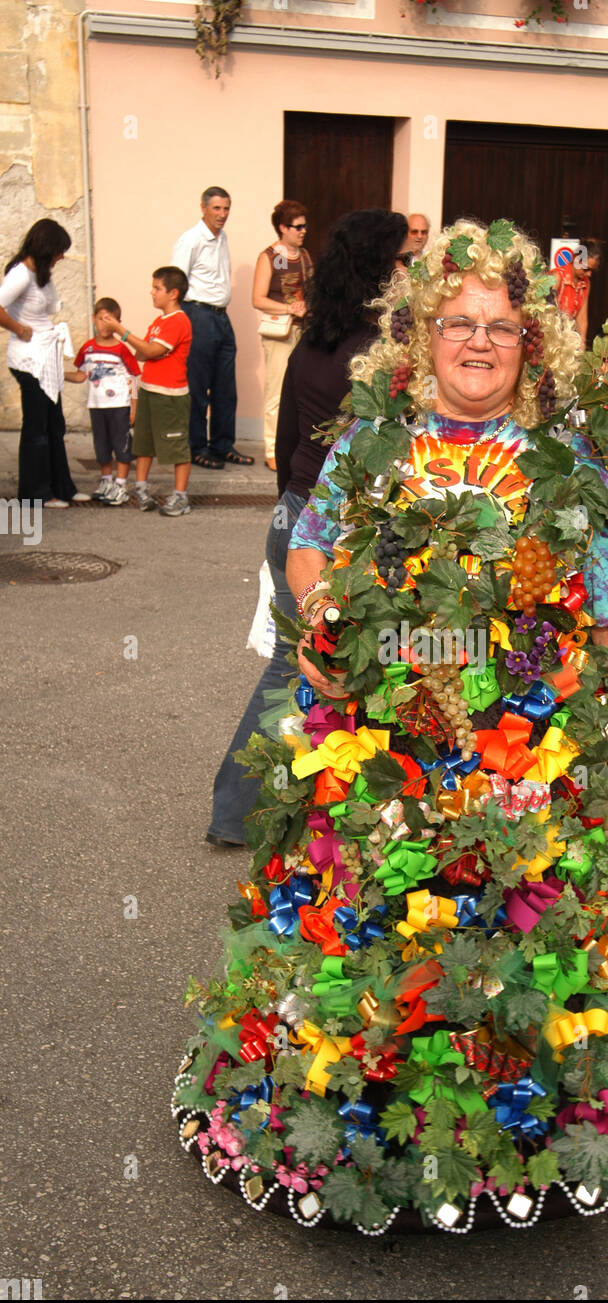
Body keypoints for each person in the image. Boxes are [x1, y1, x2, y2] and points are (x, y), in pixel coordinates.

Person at [177, 219, 608, 1234]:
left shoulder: (568, 457)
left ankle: (538, 1126)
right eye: (457, 321)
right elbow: (308, 547)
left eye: (500, 326)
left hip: (538, 756)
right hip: (392, 752)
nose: (477, 340)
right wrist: (325, 605)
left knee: (545, 940)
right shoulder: (372, 442)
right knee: (379, 942)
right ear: (421, 334)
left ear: (531, 343)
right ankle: (380, 1119)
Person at [206, 210, 409, 846]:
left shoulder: (316, 339)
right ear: (380, 267)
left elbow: (290, 432)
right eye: (402, 258)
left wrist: (292, 521)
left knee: (297, 665)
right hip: (342, 526)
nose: (410, 269)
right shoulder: (384, 353)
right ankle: (275, 818)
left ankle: (249, 814)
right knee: (323, 667)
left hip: (297, 512)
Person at [0, 218, 88, 507]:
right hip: (28, 360)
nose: (62, 257)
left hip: (44, 358)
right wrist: (18, 328)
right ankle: (36, 493)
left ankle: (62, 487)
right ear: (46, 247)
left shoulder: (41, 274)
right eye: (59, 251)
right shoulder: (21, 274)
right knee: (37, 428)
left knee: (55, 426)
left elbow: (47, 309)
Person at [99, 266, 193, 516]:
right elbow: (143, 350)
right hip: (150, 390)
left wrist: (121, 330)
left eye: (157, 288)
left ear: (173, 293)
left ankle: (181, 496)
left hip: (170, 395)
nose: (151, 292)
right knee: (144, 442)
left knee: (176, 446)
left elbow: (150, 351)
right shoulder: (158, 322)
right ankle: (141, 488)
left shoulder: (179, 321)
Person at [171, 187, 254, 470]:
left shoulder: (222, 237)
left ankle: (222, 445)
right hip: (198, 314)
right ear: (203, 208)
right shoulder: (190, 240)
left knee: (225, 386)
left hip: (221, 315)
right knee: (198, 385)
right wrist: (183, 322)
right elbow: (176, 284)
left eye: (226, 208)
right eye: (217, 208)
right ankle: (196, 446)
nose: (222, 214)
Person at [252, 200, 313, 472]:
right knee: (276, 392)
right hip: (279, 332)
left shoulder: (305, 256)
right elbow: (258, 298)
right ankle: (271, 448)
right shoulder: (269, 257)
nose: (303, 231)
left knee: (301, 389)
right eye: (297, 227)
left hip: (303, 329)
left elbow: (311, 289)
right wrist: (289, 308)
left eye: (304, 226)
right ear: (282, 227)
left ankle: (294, 446)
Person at [64, 297, 140, 502]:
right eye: (100, 319)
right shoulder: (88, 348)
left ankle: (121, 485)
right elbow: (81, 375)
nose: (104, 324)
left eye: (110, 320)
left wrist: (134, 407)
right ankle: (106, 481)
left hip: (119, 406)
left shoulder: (121, 349)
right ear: (93, 319)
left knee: (122, 445)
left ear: (118, 323)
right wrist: (59, 374)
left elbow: (134, 377)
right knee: (102, 445)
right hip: (96, 406)